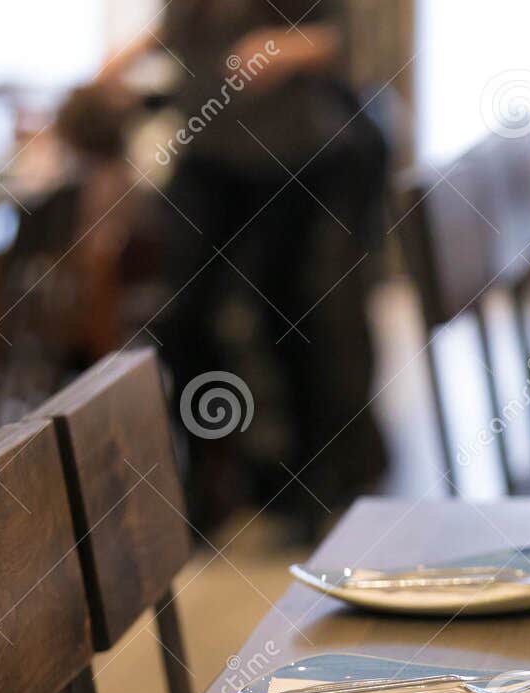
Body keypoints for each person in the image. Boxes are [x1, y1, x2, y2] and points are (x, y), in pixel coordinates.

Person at [97, 0, 389, 540]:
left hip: (292, 155)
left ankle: (308, 485)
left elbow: (343, 36)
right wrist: (125, 58)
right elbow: (179, 25)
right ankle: (209, 483)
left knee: (287, 313)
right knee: (181, 318)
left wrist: (284, 46)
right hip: (210, 151)